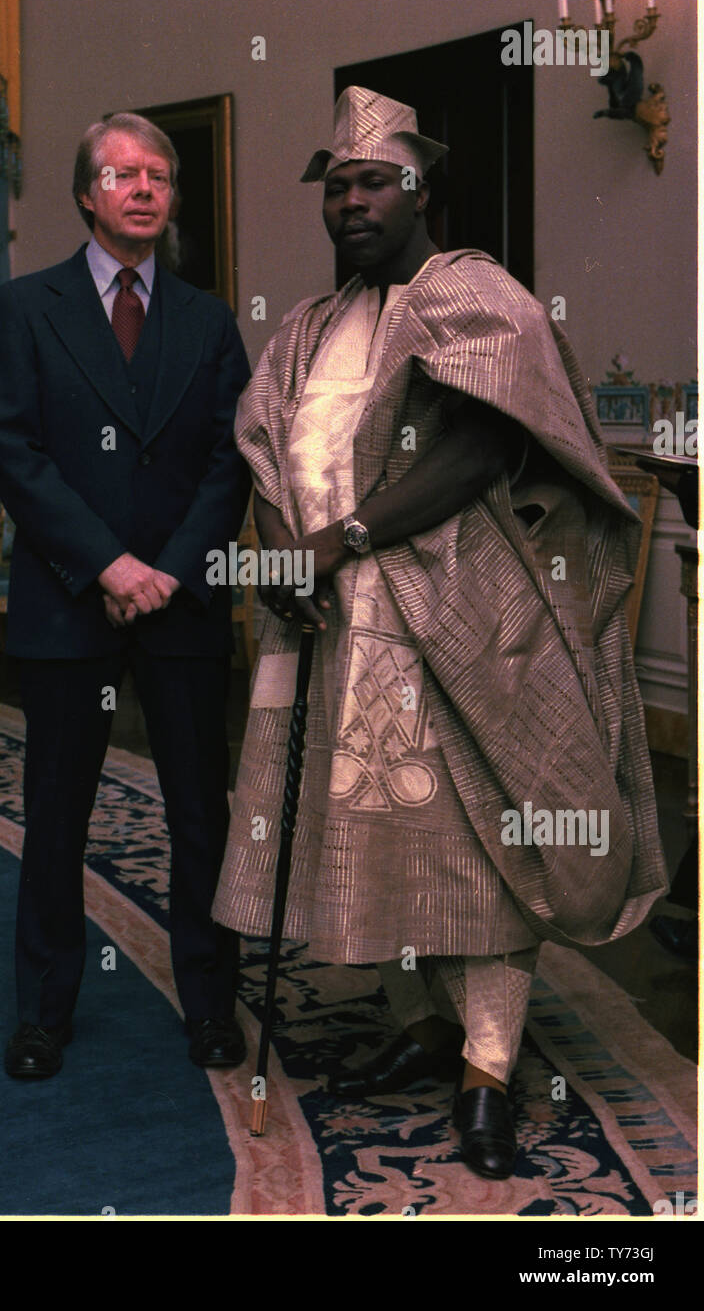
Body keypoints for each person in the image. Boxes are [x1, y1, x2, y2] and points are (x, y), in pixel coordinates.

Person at [212, 86, 667, 1179]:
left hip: (444, 615)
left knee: (477, 844)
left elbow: (480, 452)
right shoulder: (308, 328)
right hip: (321, 625)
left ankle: (491, 1069)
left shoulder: (472, 295)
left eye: (375, 182)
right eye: (338, 186)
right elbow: (265, 457)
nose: (353, 201)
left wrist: (347, 536)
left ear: (422, 189)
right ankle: (422, 1023)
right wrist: (285, 549)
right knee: (351, 834)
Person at [0, 111, 251, 1079]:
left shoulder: (210, 320)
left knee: (199, 817)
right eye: (122, 174)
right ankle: (43, 1013)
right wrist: (109, 565)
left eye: (159, 176)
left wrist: (168, 569)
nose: (143, 189)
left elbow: (231, 461)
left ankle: (213, 1007)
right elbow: (16, 452)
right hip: (68, 601)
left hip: (181, 605)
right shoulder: (22, 309)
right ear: (87, 193)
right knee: (57, 812)